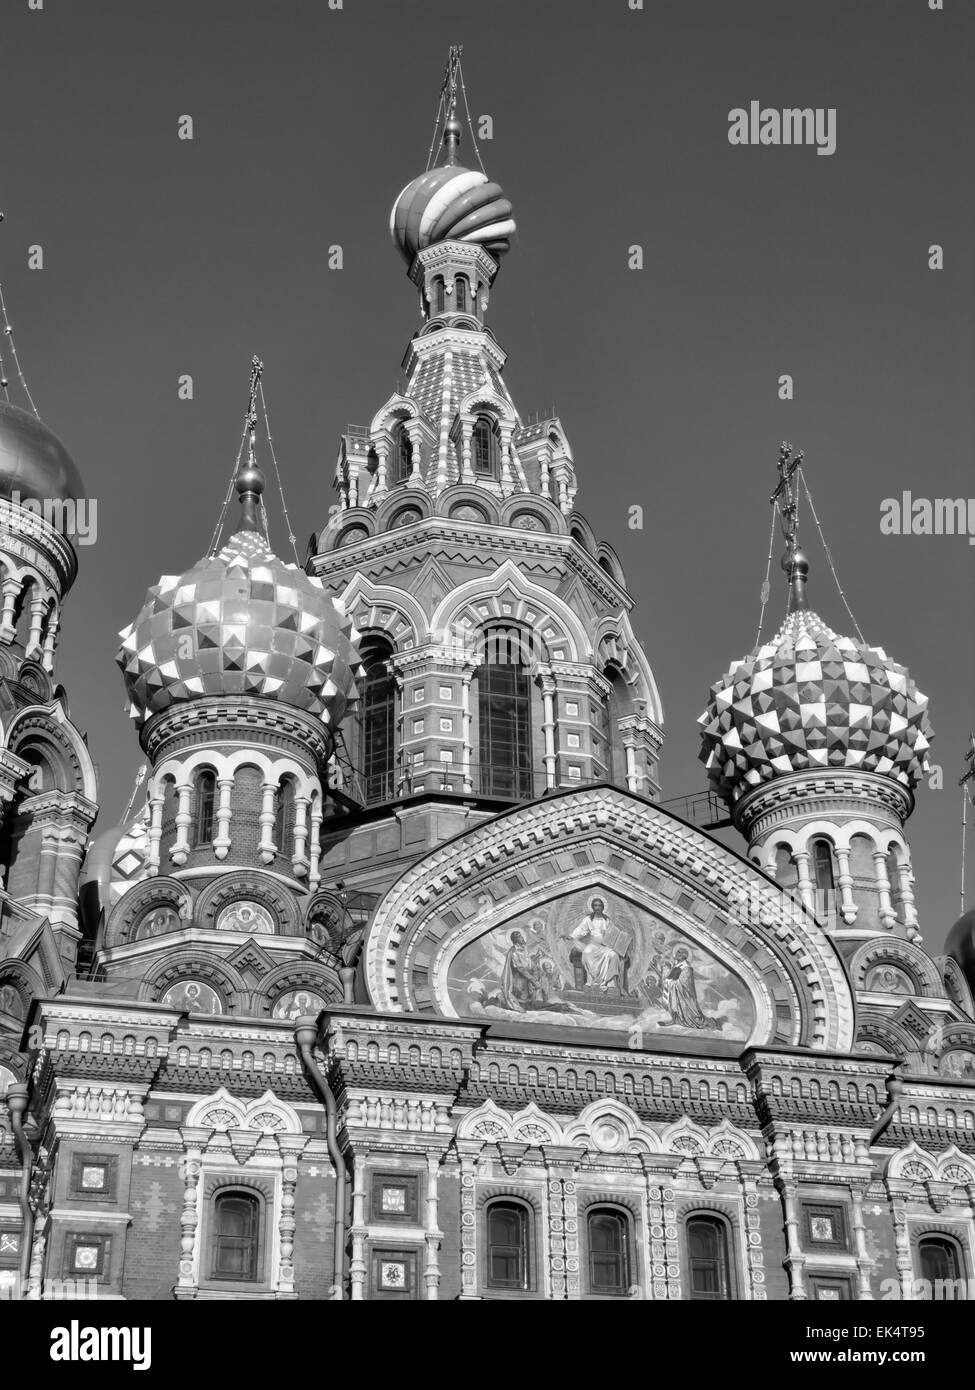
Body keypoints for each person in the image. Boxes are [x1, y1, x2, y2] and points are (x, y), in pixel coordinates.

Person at [568, 898, 623, 992]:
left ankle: (609, 983)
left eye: (599, 905)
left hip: (605, 947)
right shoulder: (588, 919)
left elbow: (613, 933)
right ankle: (593, 981)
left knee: (614, 956)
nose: (597, 907)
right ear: (592, 907)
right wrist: (571, 936)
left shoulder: (607, 920)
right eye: (595, 905)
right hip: (593, 946)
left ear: (603, 907)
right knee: (586, 952)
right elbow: (581, 929)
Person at [663, 947, 710, 1029]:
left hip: (683, 994)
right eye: (677, 952)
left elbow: (684, 983)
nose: (677, 954)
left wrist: (671, 983)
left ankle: (686, 1020)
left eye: (679, 953)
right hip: (673, 990)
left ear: (684, 956)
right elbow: (669, 977)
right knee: (673, 1005)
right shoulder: (676, 965)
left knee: (683, 1006)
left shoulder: (687, 968)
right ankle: (676, 1019)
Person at [500, 930, 540, 1011]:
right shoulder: (514, 952)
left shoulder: (524, 949)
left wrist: (535, 975)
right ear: (515, 940)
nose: (522, 938)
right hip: (519, 982)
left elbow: (529, 963)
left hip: (527, 980)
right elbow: (520, 968)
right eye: (519, 936)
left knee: (530, 1003)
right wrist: (533, 980)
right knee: (522, 1003)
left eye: (521, 936)